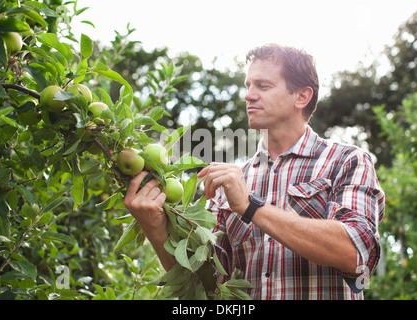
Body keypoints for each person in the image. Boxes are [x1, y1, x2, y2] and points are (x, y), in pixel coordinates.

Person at [124, 43, 385, 300]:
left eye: (263, 86)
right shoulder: (230, 183)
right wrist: (155, 227)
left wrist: (251, 207)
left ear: (301, 96)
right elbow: (203, 289)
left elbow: (355, 253)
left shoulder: (346, 161)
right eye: (248, 86)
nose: (249, 95)